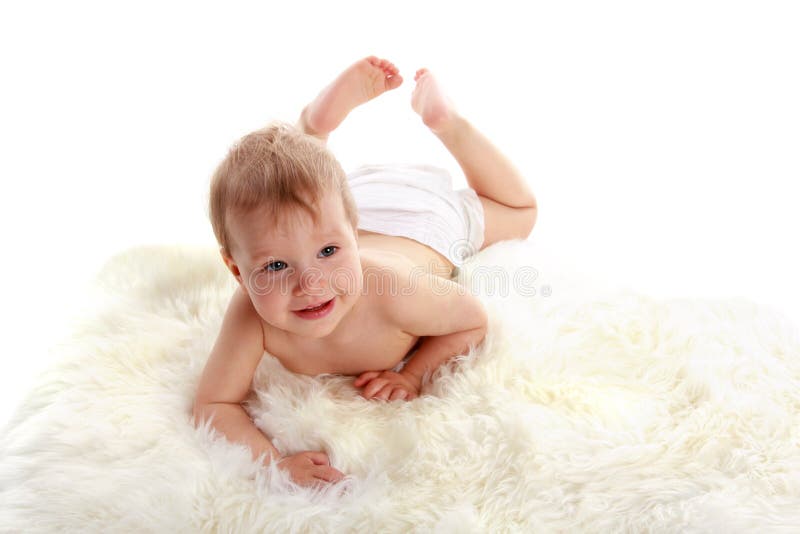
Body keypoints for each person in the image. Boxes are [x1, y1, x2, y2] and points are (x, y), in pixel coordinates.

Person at [193, 56, 538, 488]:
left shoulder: (393, 290)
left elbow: (472, 320)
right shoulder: (250, 313)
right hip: (351, 203)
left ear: (351, 238)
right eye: (276, 265)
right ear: (237, 272)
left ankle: (447, 124)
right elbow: (213, 403)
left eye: (329, 253)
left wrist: (412, 374)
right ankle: (311, 127)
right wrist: (272, 463)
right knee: (289, 198)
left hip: (424, 219)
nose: (310, 284)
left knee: (520, 211)